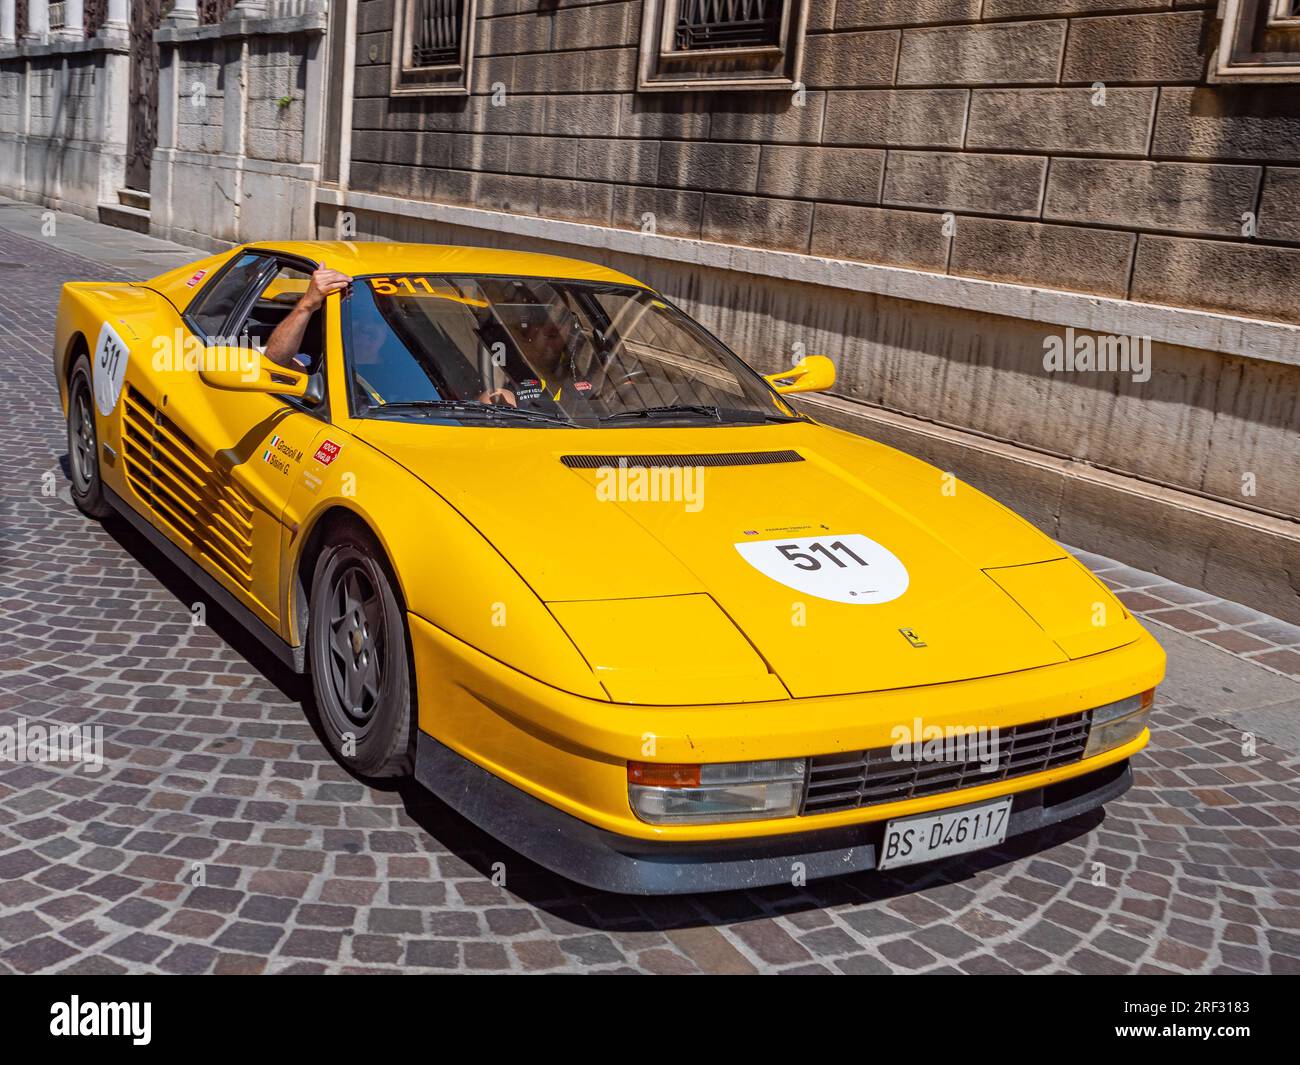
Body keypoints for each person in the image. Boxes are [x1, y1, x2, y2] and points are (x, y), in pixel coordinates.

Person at [264, 266, 352, 369]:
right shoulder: (319, 364)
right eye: (360, 323)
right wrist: (307, 305)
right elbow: (275, 362)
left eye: (375, 323)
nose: (369, 330)